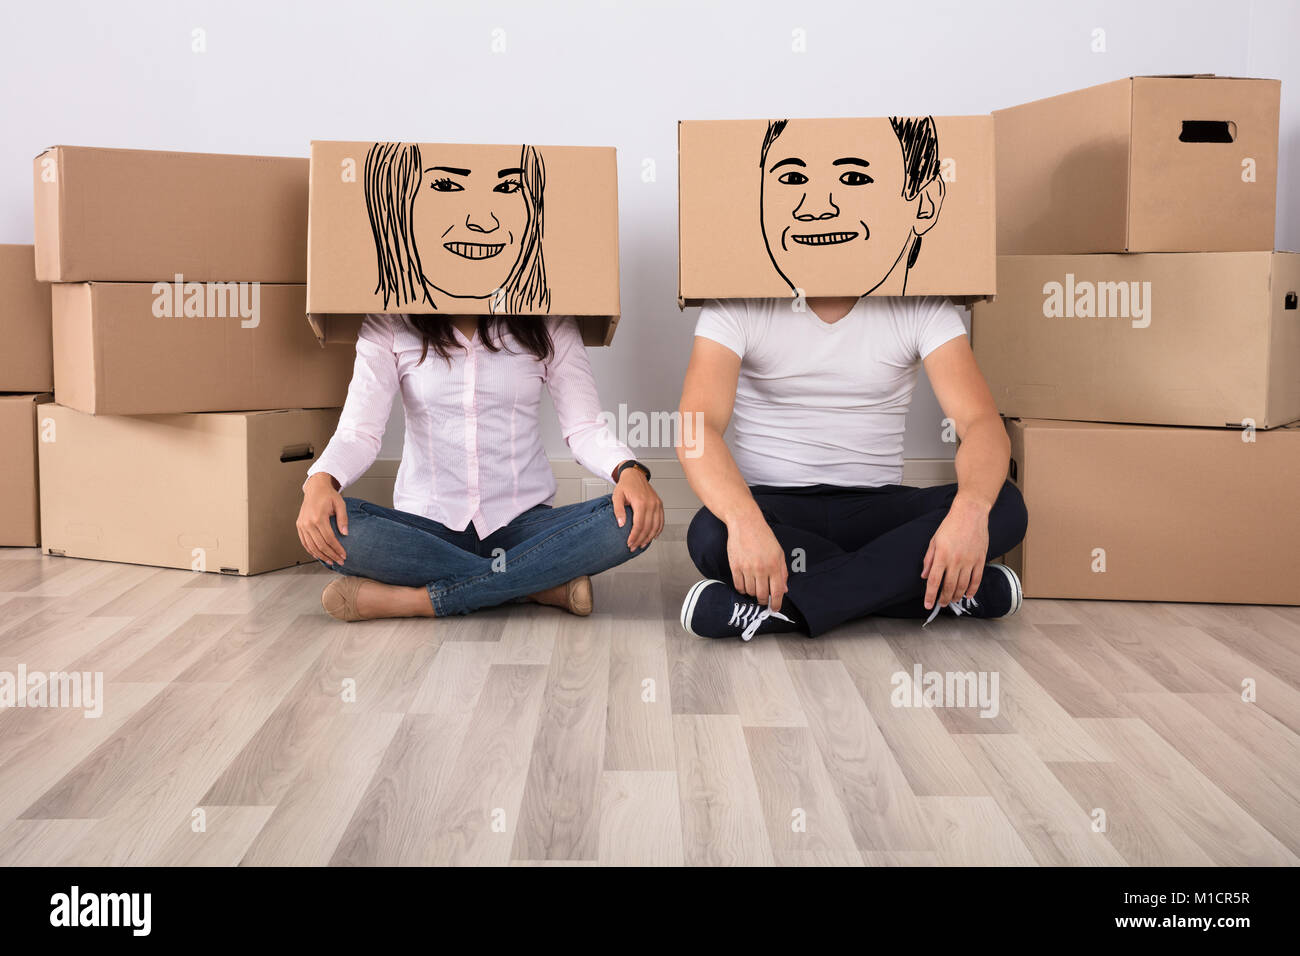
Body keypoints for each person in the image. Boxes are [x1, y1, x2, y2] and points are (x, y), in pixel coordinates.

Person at [676, 294, 1027, 640]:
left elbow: (980, 422)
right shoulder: (736, 303)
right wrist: (744, 521)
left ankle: (783, 610)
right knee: (710, 534)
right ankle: (939, 593)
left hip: (880, 512)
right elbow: (696, 427)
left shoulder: (920, 302)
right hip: (776, 517)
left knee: (1003, 506)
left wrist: (970, 511)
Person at [297, 312, 663, 622]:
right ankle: (535, 584)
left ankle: (417, 601)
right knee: (333, 526)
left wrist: (628, 470)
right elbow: (359, 431)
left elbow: (584, 427)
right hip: (428, 531)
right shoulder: (390, 320)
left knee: (632, 517)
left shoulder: (551, 319)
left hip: (522, 526)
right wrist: (320, 482)